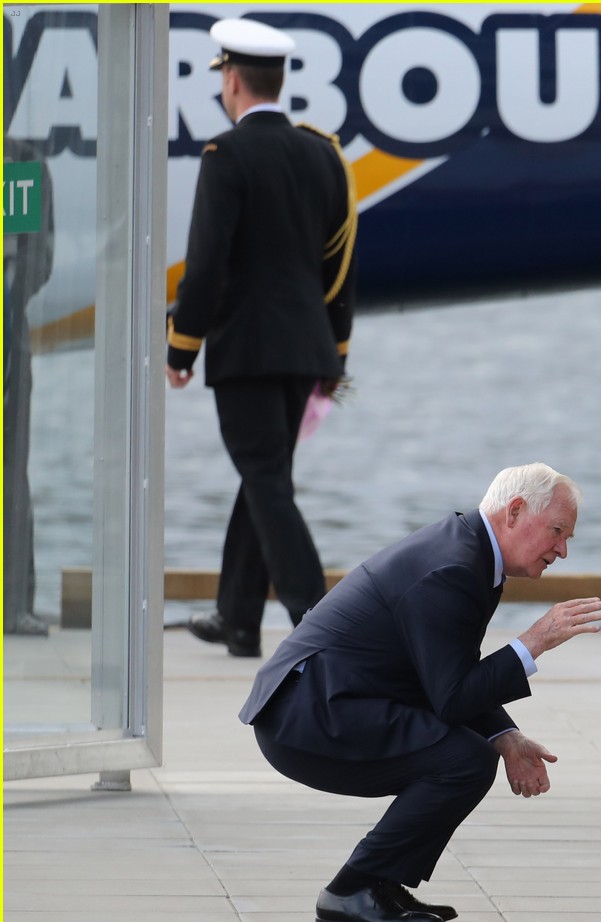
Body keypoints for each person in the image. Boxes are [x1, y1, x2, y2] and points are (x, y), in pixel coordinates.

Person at [238, 463, 601, 922]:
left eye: (568, 537)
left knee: (469, 755)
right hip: (306, 715)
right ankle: (351, 890)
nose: (562, 549)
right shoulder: (455, 566)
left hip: (325, 701)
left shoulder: (469, 551)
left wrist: (506, 734)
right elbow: (452, 697)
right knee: (463, 760)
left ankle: (379, 886)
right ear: (514, 511)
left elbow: (446, 670)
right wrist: (532, 642)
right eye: (558, 532)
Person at [166, 18, 357, 658]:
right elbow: (339, 265)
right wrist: (337, 351)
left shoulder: (225, 157)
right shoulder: (323, 153)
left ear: (232, 80)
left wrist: (182, 345)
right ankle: (239, 619)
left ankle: (324, 625)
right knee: (266, 477)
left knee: (268, 483)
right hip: (305, 351)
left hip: (246, 352)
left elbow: (207, 264)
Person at [3, 137, 54, 635]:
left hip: (7, 341)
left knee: (11, 471)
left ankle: (13, 603)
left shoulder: (20, 163)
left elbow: (38, 260)